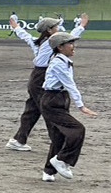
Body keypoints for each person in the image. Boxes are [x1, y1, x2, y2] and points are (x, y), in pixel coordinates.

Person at [5, 13, 87, 152]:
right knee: (49, 110)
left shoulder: (40, 41)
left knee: (32, 110)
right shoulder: (53, 42)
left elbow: (26, 36)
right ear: (49, 30)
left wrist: (16, 27)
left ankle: (19, 140)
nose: (59, 27)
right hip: (42, 78)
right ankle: (58, 144)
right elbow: (68, 37)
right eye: (56, 26)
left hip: (37, 77)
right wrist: (81, 26)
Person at [39, 32, 98, 182]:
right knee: (77, 130)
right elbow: (70, 84)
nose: (73, 47)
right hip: (52, 100)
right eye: (70, 44)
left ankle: (49, 171)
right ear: (60, 47)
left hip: (59, 98)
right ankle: (61, 159)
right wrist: (81, 106)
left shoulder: (63, 61)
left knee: (58, 136)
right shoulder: (58, 63)